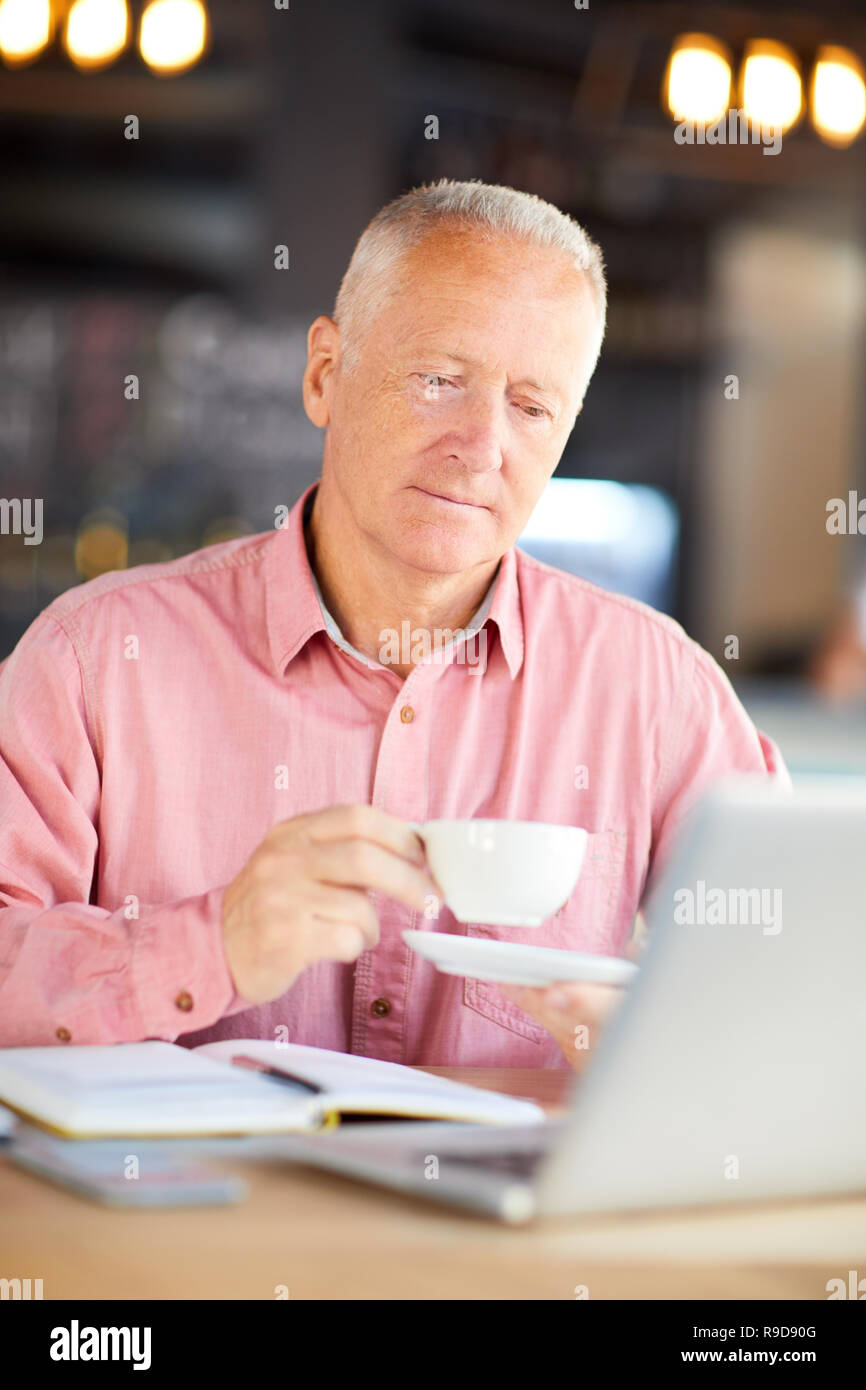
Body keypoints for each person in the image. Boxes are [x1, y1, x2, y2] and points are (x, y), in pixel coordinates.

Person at [0, 179, 790, 1070]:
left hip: (520, 1210)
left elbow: (793, 965)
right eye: (439, 380)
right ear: (325, 375)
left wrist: (679, 1038)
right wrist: (209, 946)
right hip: (179, 1210)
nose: (482, 445)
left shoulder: (658, 691)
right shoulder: (95, 660)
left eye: (531, 407)